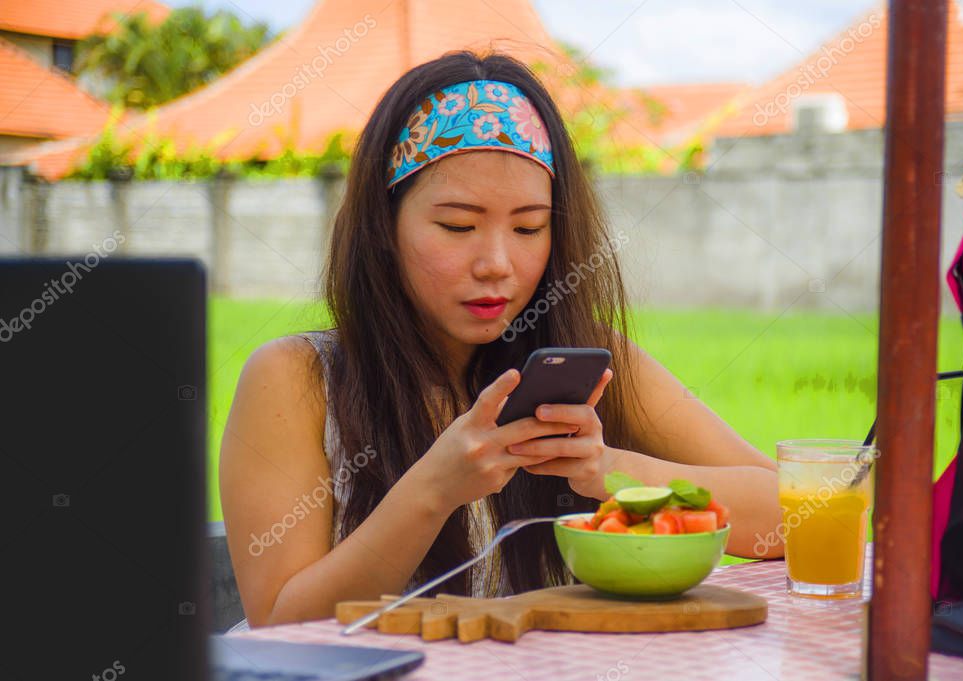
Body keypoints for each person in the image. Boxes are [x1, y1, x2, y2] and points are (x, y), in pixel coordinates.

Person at [219, 50, 783, 629]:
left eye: (527, 227)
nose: (496, 263)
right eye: (458, 226)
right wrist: (434, 490)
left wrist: (608, 470)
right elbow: (282, 623)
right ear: (383, 227)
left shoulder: (587, 359)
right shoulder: (296, 378)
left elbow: (796, 515)